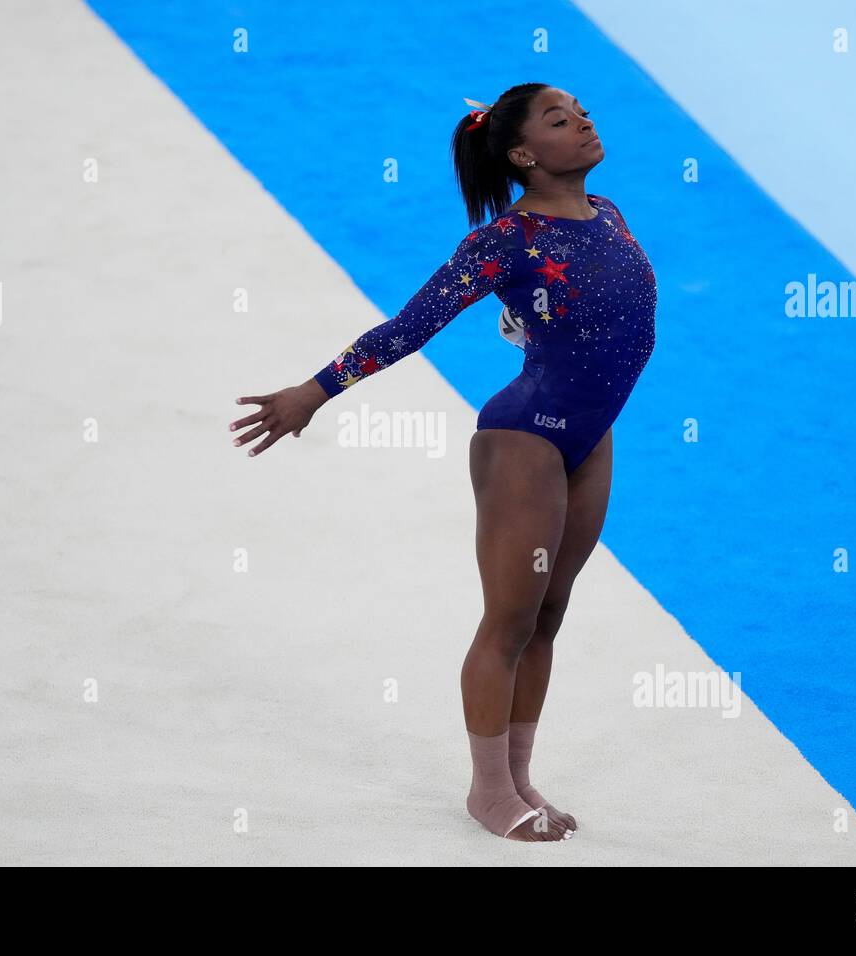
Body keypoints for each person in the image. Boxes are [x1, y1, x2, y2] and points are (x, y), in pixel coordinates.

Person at [229, 83, 657, 841]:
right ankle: (489, 792)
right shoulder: (505, 241)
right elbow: (410, 327)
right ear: (523, 154)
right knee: (510, 619)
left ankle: (521, 776)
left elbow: (588, 310)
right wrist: (314, 391)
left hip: (592, 438)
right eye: (559, 120)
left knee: (549, 614)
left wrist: (525, 321)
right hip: (526, 439)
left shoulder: (609, 213)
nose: (583, 122)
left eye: (582, 111)